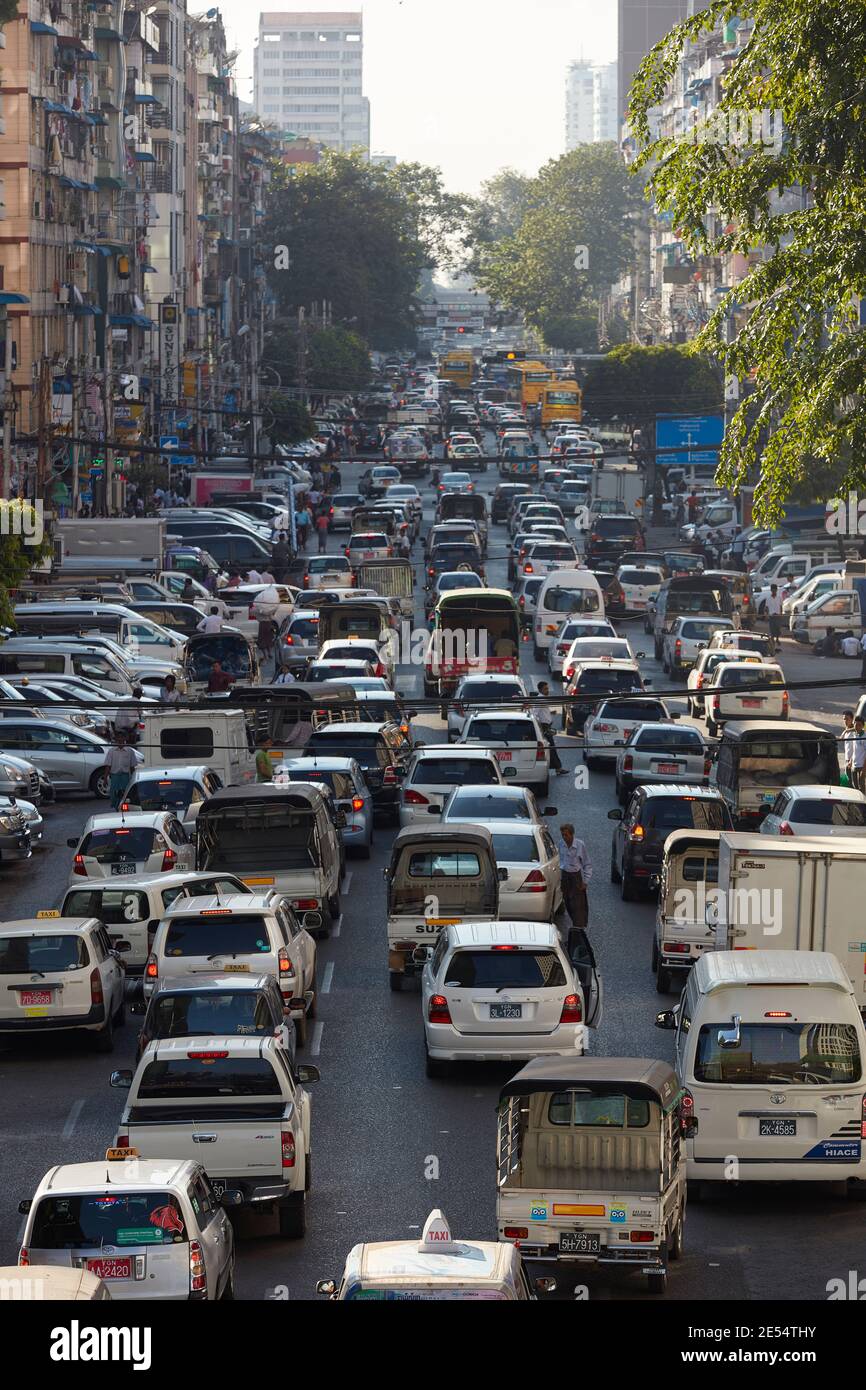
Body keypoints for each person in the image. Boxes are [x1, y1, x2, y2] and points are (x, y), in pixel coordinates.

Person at [558, 823, 591, 945]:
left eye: (566, 835)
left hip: (576, 878)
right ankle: (576, 930)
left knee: (578, 907)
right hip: (565, 877)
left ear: (572, 835)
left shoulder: (580, 845)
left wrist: (585, 881)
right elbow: (560, 860)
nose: (564, 837)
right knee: (569, 905)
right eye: (562, 835)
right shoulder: (561, 844)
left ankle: (578, 936)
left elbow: (587, 864)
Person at [535, 680, 565, 775]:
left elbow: (542, 712)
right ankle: (558, 768)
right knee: (551, 748)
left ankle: (557, 768)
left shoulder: (543, 698)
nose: (547, 690)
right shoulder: (540, 699)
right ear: (540, 690)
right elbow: (535, 713)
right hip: (544, 727)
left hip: (546, 726)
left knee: (551, 748)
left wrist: (550, 713)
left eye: (547, 688)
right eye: (545, 689)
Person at [107, 733, 138, 811]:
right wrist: (105, 778)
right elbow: (108, 765)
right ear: (116, 740)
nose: (120, 741)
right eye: (118, 739)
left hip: (125, 776)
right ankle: (116, 808)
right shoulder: (111, 751)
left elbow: (132, 767)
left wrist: (134, 778)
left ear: (125, 740)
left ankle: (123, 808)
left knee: (125, 794)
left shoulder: (130, 751)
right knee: (114, 794)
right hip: (115, 776)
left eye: (122, 739)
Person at [766, 583, 782, 655]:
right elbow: (766, 607)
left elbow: (781, 606)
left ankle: (777, 638)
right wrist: (766, 614)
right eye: (772, 590)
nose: (773, 591)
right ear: (771, 590)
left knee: (778, 629)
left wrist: (781, 613)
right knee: (772, 630)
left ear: (776, 590)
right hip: (771, 616)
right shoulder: (768, 598)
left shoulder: (779, 597)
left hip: (777, 615)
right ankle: (773, 644)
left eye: (775, 590)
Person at [852, 717, 866, 793]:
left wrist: (864, 770)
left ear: (863, 726)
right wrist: (850, 761)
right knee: (855, 787)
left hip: (862, 766)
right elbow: (854, 750)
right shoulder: (855, 734)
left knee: (862, 787)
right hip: (854, 765)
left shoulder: (864, 736)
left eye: (859, 725)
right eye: (855, 724)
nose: (857, 727)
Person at [842, 710, 856, 783]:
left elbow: (856, 748)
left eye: (847, 719)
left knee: (853, 782)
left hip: (853, 760)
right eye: (844, 719)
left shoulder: (854, 731)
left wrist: (851, 760)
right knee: (848, 781)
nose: (845, 721)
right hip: (847, 759)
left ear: (852, 719)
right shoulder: (847, 730)